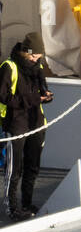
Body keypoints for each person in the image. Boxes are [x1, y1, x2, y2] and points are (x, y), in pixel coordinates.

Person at [0, 40, 53, 221]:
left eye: (38, 56)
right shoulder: (10, 67)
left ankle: (27, 203)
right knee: (14, 169)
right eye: (34, 55)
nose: (36, 59)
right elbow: (3, 96)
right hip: (16, 124)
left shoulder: (37, 69)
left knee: (32, 166)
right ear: (26, 52)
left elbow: (38, 94)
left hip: (36, 122)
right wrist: (32, 99)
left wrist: (45, 97)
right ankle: (12, 208)